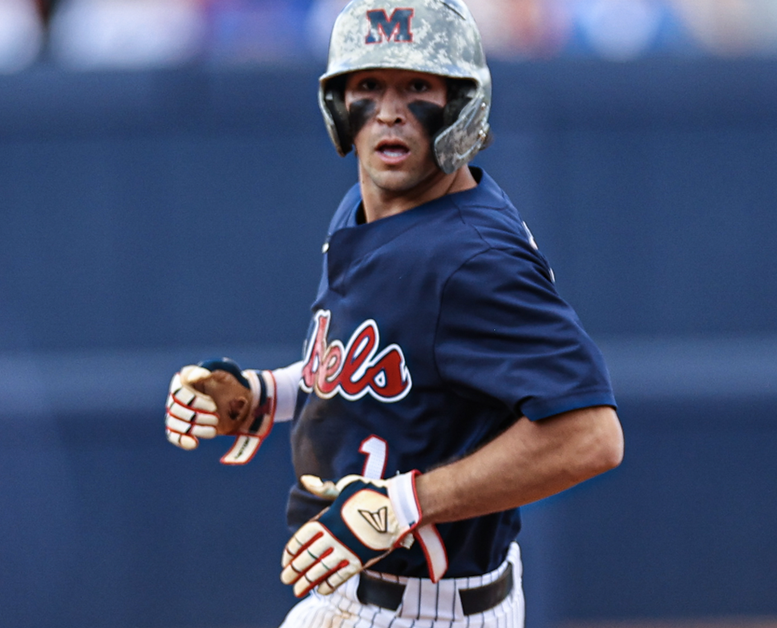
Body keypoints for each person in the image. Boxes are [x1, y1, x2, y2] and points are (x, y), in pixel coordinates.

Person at [164, 1, 624, 626]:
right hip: (354, 597)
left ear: (463, 103)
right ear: (338, 104)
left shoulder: (472, 255)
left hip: (426, 612)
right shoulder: (369, 206)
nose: (388, 110)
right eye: (368, 85)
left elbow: (591, 435)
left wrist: (404, 504)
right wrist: (264, 394)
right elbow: (381, 368)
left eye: (416, 87)